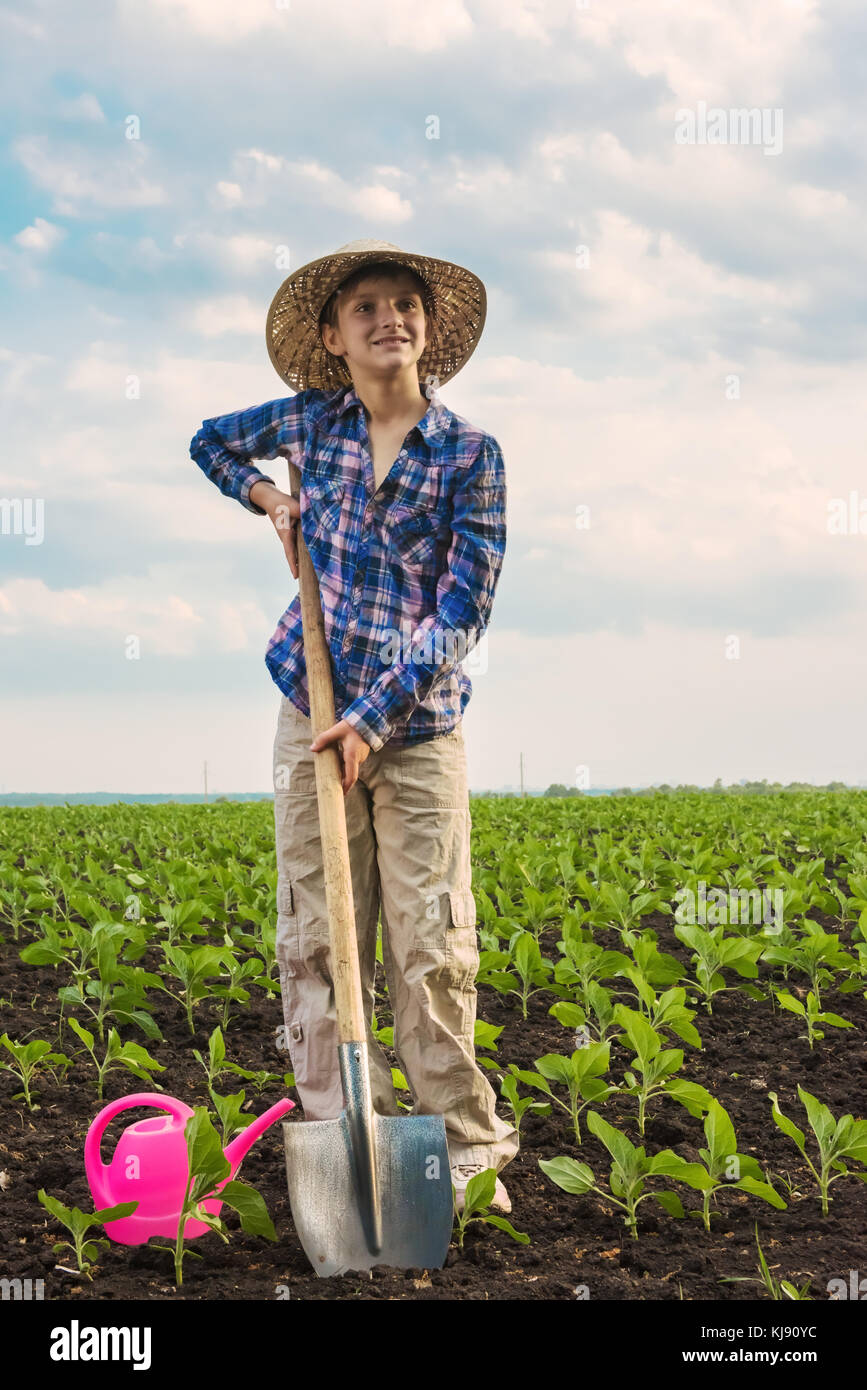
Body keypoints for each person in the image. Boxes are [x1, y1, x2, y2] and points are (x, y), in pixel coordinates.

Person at [189, 239, 517, 1211]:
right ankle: (350, 1148)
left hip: (414, 732)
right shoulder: (308, 424)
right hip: (310, 709)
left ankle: (465, 1158)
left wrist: (374, 718)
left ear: (429, 330)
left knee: (427, 947)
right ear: (333, 338)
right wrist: (266, 495)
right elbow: (210, 438)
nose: (390, 318)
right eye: (366, 306)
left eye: (406, 304)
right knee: (320, 938)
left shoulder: (470, 455)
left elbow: (462, 610)